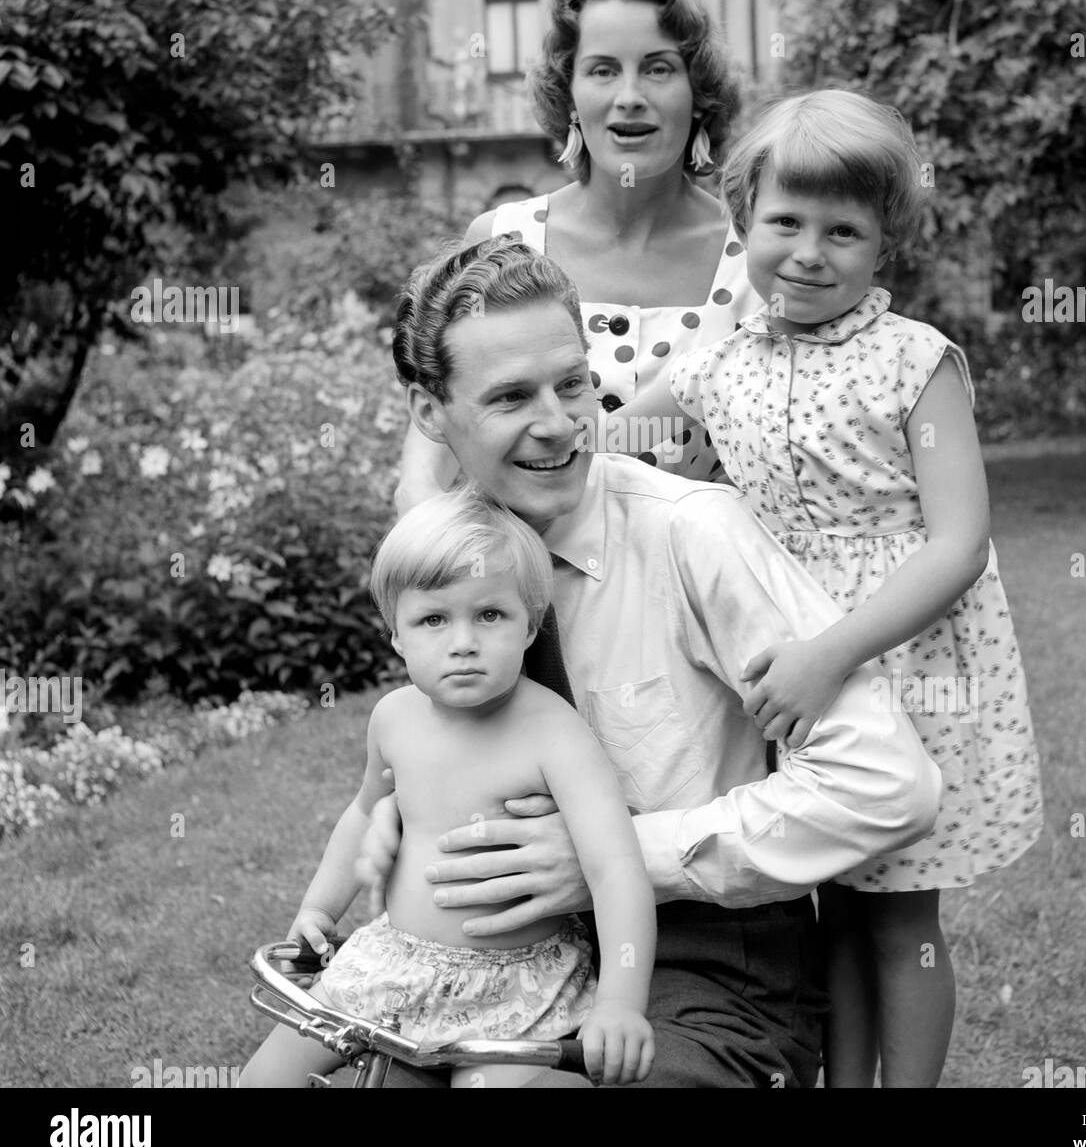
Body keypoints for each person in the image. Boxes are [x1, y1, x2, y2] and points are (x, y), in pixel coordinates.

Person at [360, 235, 943, 1089]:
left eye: (571, 384)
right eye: (511, 397)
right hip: (494, 959)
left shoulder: (693, 536)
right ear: (429, 414)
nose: (558, 423)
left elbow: (889, 783)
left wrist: (622, 856)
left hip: (706, 968)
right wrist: (399, 820)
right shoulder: (447, 563)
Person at [664, 89, 1044, 1087]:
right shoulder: (716, 368)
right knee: (825, 890)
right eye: (784, 221)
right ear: (741, 220)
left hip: (899, 654)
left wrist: (832, 651)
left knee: (899, 913)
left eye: (844, 230)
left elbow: (958, 541)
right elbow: (651, 473)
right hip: (781, 647)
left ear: (884, 247)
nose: (808, 251)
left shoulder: (914, 362)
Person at [239, 487, 656, 1088]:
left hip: (514, 982)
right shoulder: (394, 718)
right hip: (393, 962)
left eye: (489, 615)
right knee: (262, 1081)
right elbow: (364, 815)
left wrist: (621, 1002)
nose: (463, 641)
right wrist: (319, 909)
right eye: (433, 619)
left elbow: (617, 869)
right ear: (396, 636)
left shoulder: (555, 734)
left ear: (531, 625)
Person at [395, 0, 759, 514]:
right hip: (530, 586)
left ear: (698, 93)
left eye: (658, 69)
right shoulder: (503, 239)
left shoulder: (759, 260)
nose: (630, 95)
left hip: (699, 589)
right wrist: (419, 508)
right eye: (603, 70)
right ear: (569, 96)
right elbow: (441, 427)